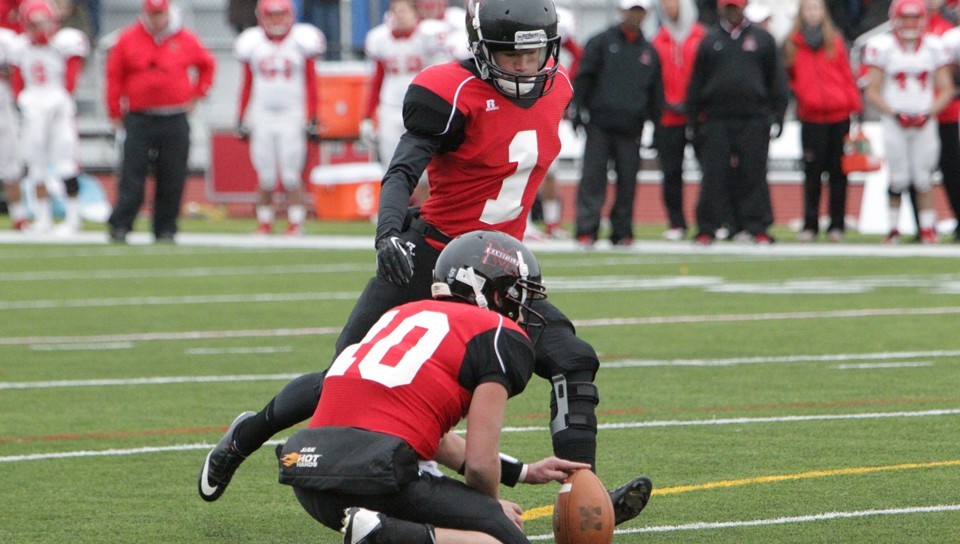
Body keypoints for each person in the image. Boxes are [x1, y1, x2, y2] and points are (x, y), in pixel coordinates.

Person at [199, 0, 653, 528]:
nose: (527, 68)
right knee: (346, 377)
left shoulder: (561, 89)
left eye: (535, 55)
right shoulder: (450, 91)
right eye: (512, 56)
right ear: (482, 50)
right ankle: (243, 437)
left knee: (572, 358)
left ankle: (584, 494)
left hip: (501, 270)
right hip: (432, 254)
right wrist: (388, 232)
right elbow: (401, 171)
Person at [281, 230, 591, 544]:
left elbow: (436, 439)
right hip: (378, 474)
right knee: (495, 539)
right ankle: (388, 535)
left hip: (310, 476)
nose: (522, 308)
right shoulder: (498, 332)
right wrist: (488, 509)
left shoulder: (398, 314)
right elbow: (481, 465)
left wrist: (523, 472)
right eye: (517, 294)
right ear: (494, 293)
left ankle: (385, 531)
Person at [105, 0, 215, 244]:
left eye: (160, 14)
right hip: (139, 117)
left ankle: (165, 227)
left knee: (172, 175)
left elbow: (207, 65)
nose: (156, 20)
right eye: (152, 14)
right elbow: (114, 74)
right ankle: (122, 224)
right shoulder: (128, 39)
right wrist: (114, 110)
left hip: (174, 116)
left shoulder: (185, 38)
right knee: (132, 174)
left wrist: (198, 94)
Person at [686, 0, 789, 245]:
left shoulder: (762, 39)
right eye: (729, 7)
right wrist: (693, 119)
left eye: (736, 6)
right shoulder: (710, 40)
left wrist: (778, 114)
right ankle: (707, 227)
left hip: (753, 118)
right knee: (714, 175)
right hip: (716, 118)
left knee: (754, 172)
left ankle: (757, 226)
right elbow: (697, 83)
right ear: (722, 8)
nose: (733, 11)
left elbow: (776, 80)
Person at [572, 0, 664, 248]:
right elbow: (584, 77)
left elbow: (656, 93)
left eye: (639, 11)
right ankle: (586, 229)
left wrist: (657, 126)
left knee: (627, 182)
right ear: (622, 11)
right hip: (600, 124)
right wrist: (577, 109)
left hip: (632, 127)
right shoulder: (600, 42)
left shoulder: (649, 51)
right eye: (631, 10)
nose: (635, 16)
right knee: (593, 179)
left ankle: (622, 230)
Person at [863, 0, 953, 244]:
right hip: (894, 120)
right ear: (895, 19)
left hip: (925, 120)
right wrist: (894, 113)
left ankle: (927, 229)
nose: (910, 24)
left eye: (914, 19)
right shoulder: (882, 47)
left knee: (923, 177)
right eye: (906, 19)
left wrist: (928, 112)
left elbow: (947, 89)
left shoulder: (934, 47)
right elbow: (871, 90)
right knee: (898, 176)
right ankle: (893, 229)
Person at [235, 0, 324, 236]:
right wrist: (241, 115)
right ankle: (264, 222)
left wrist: (313, 115)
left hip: (292, 113)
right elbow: (246, 84)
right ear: (261, 17)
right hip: (262, 113)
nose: (276, 22)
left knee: (290, 173)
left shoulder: (301, 42)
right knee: (265, 173)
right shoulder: (253, 43)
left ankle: (296, 222)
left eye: (280, 16)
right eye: (271, 16)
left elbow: (312, 83)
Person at [359, 0, 453, 206]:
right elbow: (377, 79)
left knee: (427, 170)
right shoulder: (380, 39)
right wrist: (367, 116)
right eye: (395, 11)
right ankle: (394, 215)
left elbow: (442, 75)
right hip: (391, 108)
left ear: (415, 14)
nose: (399, 15)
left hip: (421, 107)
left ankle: (426, 216)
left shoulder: (428, 36)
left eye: (403, 11)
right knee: (392, 167)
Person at [8, 0, 89, 235]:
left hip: (58, 108)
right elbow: (17, 82)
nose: (39, 30)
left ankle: (73, 217)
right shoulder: (19, 46)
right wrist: (24, 101)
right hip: (33, 109)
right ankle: (42, 218)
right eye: (34, 24)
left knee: (66, 163)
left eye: (43, 23)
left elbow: (71, 80)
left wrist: (59, 102)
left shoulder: (65, 43)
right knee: (36, 167)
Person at [784, 0, 861, 243]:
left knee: (838, 173)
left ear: (823, 12)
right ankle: (810, 224)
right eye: (808, 9)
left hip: (839, 115)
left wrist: (853, 106)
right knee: (812, 173)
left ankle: (836, 225)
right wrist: (803, 97)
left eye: (816, 8)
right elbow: (788, 78)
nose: (812, 13)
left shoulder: (835, 41)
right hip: (811, 117)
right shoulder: (792, 44)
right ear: (801, 13)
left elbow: (846, 74)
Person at [652, 0, 707, 241]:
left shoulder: (702, 37)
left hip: (699, 116)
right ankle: (677, 222)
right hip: (668, 117)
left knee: (710, 170)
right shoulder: (658, 40)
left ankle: (711, 219)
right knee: (671, 172)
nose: (668, 8)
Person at [930, 0, 960, 243]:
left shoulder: (949, 29)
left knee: (953, 169)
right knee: (916, 173)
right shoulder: (907, 28)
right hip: (916, 111)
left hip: (949, 109)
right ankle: (924, 226)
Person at [0, 24, 26, 230]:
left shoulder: (7, 39)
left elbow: (19, 70)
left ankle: (19, 217)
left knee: (11, 166)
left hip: (3, 109)